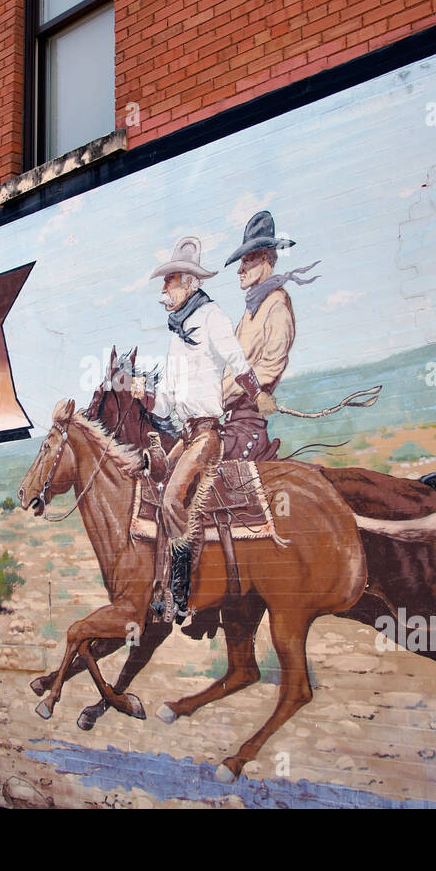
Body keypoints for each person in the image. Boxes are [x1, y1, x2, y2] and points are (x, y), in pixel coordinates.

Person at [132, 236, 263, 624]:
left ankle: (182, 595)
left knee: (173, 500)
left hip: (207, 436)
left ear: (189, 284)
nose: (163, 292)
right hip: (187, 434)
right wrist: (147, 397)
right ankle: (161, 588)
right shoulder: (177, 333)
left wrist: (257, 393)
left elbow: (236, 359)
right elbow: (171, 403)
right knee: (156, 493)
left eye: (169, 282)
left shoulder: (212, 317)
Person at [219, 210, 319, 460]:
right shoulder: (251, 310)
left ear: (264, 258)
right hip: (230, 423)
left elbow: (270, 366)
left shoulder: (276, 304)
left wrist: (221, 393)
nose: (239, 270)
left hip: (247, 427)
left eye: (246, 261)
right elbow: (233, 366)